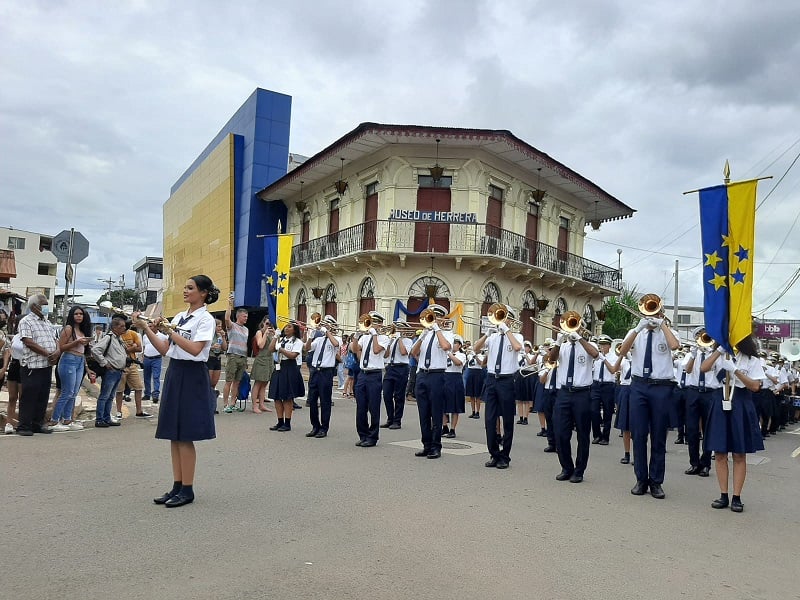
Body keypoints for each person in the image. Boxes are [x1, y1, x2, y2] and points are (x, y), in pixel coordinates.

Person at [135, 275, 219, 508]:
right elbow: (164, 348)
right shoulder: (181, 317)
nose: (185, 291)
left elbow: (194, 349)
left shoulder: (206, 319)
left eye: (190, 288)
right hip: (175, 372)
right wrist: (147, 328)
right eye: (185, 287)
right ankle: (177, 484)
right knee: (174, 433)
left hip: (193, 374)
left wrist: (170, 331)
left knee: (186, 435)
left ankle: (188, 489)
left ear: (203, 293)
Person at [615, 311, 680, 499]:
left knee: (659, 435)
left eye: (657, 312)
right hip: (639, 386)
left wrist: (662, 325)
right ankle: (641, 479)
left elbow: (675, 346)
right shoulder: (636, 332)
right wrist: (637, 328)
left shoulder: (669, 332)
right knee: (639, 434)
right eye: (649, 312)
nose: (652, 315)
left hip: (662, 387)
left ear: (662, 314)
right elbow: (622, 351)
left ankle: (656, 482)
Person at [701, 335, 765, 513]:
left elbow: (755, 386)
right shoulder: (719, 354)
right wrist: (719, 351)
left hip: (741, 402)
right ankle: (723, 494)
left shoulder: (751, 359)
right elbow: (703, 368)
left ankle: (736, 497)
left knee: (739, 453)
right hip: (719, 399)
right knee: (720, 452)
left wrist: (735, 370)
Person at [472, 305, 522, 469]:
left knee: (507, 420)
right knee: (490, 419)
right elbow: (475, 348)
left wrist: (507, 330)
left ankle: (505, 456)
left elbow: (517, 347)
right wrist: (487, 333)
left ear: (511, 320)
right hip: (491, 379)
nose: (501, 320)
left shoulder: (517, 336)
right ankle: (494, 453)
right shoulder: (492, 338)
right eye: (501, 317)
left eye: (505, 317)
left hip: (507, 380)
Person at [548, 327, 600, 483]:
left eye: (574, 326)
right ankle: (566, 467)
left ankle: (579, 470)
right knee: (560, 433)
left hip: (582, 393)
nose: (570, 330)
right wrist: (557, 342)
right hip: (564, 392)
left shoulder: (588, 345)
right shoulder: (563, 346)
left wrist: (579, 339)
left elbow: (595, 354)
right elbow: (551, 359)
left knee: (583, 434)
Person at [410, 305, 453, 458]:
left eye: (436, 317)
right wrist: (422, 336)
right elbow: (413, 353)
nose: (432, 319)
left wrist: (437, 330)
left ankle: (436, 446)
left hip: (437, 375)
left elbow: (446, 346)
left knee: (436, 412)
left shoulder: (447, 334)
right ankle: (426, 445)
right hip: (422, 374)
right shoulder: (426, 335)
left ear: (442, 319)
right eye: (431, 316)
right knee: (423, 413)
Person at [16, 294, 60, 436]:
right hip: (32, 366)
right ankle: (24, 426)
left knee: (42, 396)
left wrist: (57, 352)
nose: (47, 307)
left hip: (46, 366)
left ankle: (37, 424)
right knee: (29, 396)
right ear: (35, 306)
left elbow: (56, 339)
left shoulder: (47, 322)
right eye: (44, 304)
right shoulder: (26, 321)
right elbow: (28, 341)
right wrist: (48, 354)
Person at [351, 311, 390, 447]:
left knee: (373, 407)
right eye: (370, 322)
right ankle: (363, 435)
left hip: (374, 375)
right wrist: (356, 336)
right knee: (360, 407)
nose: (370, 325)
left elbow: (376, 350)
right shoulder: (364, 337)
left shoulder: (384, 338)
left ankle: (372, 437)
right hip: (362, 374)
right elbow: (355, 350)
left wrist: (374, 335)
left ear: (379, 325)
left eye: (373, 323)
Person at [50, 306, 92, 431]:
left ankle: (67, 419)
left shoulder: (82, 330)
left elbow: (83, 351)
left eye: (81, 314)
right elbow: (61, 347)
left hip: (79, 360)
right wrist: (77, 342)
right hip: (68, 360)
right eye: (76, 314)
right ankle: (54, 420)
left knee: (73, 393)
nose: (79, 316)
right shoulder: (68, 329)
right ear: (72, 315)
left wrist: (86, 366)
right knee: (66, 392)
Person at [682, 329, 715, 478]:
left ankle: (706, 464)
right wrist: (694, 354)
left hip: (710, 392)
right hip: (693, 391)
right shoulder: (691, 354)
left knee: (708, 430)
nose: (702, 339)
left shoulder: (714, 355)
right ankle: (694, 463)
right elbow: (687, 370)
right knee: (692, 429)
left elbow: (722, 373)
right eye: (699, 336)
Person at [304, 316, 341, 438]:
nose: (323, 326)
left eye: (327, 325)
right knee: (312, 401)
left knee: (325, 401)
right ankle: (315, 426)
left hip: (326, 372)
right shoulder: (319, 340)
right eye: (324, 325)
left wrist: (327, 332)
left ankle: (324, 428)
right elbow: (307, 348)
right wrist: (310, 336)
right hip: (315, 371)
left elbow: (336, 345)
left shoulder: (337, 338)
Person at [91, 315, 129, 428]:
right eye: (121, 326)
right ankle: (99, 419)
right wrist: (105, 363)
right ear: (115, 327)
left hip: (118, 371)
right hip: (111, 371)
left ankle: (107, 418)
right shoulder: (109, 338)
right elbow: (95, 350)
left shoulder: (119, 339)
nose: (124, 328)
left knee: (110, 396)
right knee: (105, 395)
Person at [267, 322, 304, 431]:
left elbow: (293, 355)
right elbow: (270, 349)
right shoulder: (281, 339)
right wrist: (275, 337)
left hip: (290, 367)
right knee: (277, 396)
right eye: (286, 326)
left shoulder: (297, 342)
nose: (286, 328)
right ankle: (280, 421)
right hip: (279, 367)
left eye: (289, 327)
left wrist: (281, 349)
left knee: (287, 397)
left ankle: (287, 423)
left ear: (295, 330)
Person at [114, 322, 151, 420]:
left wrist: (132, 348)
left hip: (132, 364)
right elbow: (117, 351)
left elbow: (139, 349)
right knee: (119, 390)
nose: (124, 327)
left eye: (125, 325)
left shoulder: (133, 334)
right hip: (120, 365)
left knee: (138, 387)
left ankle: (139, 411)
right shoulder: (115, 336)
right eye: (121, 325)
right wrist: (132, 347)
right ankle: (118, 411)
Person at [381, 321, 413, 430]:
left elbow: (404, 352)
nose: (397, 330)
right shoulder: (392, 340)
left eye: (400, 328)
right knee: (386, 394)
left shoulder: (408, 341)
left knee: (399, 396)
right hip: (390, 367)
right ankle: (390, 418)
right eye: (396, 328)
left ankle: (397, 421)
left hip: (401, 368)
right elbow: (385, 355)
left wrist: (399, 339)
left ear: (404, 330)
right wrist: (389, 343)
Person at [222, 296, 249, 413]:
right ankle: (225, 404)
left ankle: (233, 403)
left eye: (247, 316)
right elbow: (227, 319)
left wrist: (246, 360)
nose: (246, 318)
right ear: (238, 316)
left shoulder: (247, 329)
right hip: (233, 355)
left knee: (237, 382)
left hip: (243, 357)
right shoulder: (232, 326)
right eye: (244, 316)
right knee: (229, 380)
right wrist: (229, 304)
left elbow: (245, 344)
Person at [590, 335, 616, 445]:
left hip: (608, 385)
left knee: (607, 412)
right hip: (596, 384)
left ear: (609, 346)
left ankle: (605, 437)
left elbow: (612, 370)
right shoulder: (596, 358)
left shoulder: (613, 357)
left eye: (604, 345)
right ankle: (596, 435)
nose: (601, 347)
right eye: (600, 345)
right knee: (593, 410)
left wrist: (603, 359)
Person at [442, 337, 466, 438]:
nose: (453, 345)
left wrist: (449, 353)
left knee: (455, 406)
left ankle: (453, 429)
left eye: (455, 343)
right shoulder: (445, 353)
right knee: (442, 404)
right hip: (444, 377)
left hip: (455, 378)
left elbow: (458, 363)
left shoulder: (461, 355)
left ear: (459, 345)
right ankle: (444, 427)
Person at [251, 316, 275, 413]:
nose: (269, 326)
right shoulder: (259, 332)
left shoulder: (271, 334)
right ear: (263, 323)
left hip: (269, 360)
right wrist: (265, 333)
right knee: (258, 383)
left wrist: (275, 335)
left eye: (270, 324)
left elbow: (276, 347)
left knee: (265, 384)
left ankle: (262, 404)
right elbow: (260, 344)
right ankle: (254, 406)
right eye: (267, 324)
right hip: (261, 359)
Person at [614, 349, 633, 464]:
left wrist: (632, 359)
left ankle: (638, 454)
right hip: (625, 389)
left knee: (638, 426)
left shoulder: (639, 358)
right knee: (625, 426)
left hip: (636, 389)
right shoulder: (623, 361)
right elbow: (614, 368)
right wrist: (622, 355)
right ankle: (627, 453)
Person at [142, 321, 168, 405]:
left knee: (156, 377)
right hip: (147, 358)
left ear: (156, 327)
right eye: (148, 326)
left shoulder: (162, 337)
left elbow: (165, 347)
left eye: (151, 326)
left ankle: (155, 395)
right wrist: (143, 357)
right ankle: (147, 394)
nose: (149, 328)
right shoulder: (145, 336)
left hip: (156, 358)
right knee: (146, 377)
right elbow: (144, 347)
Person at [206, 319, 227, 411]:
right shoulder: (208, 335)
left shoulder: (219, 335)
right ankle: (206, 404)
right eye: (218, 326)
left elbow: (225, 347)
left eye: (221, 326)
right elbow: (202, 347)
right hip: (209, 357)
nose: (220, 328)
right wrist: (211, 347)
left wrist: (223, 337)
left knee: (214, 383)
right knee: (208, 382)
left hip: (217, 358)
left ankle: (212, 405)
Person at [465, 347, 485, 419]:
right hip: (471, 373)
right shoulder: (469, 355)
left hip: (478, 373)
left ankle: (478, 412)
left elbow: (481, 364)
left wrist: (476, 357)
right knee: (471, 394)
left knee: (477, 394)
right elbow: (468, 362)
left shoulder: (481, 356)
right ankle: (473, 411)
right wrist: (469, 353)